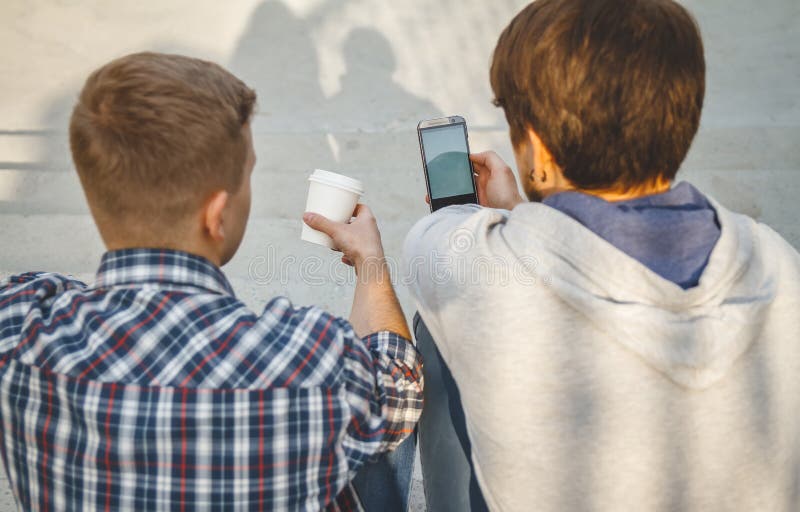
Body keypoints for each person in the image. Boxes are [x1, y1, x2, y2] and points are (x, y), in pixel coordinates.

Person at [404, 0, 800, 510]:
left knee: (436, 325)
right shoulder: (778, 262)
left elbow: (440, 233)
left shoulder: (469, 264)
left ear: (538, 145)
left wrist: (518, 211)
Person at [0, 52, 422, 511]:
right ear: (216, 215)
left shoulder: (19, 322)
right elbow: (401, 386)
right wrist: (370, 263)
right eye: (248, 174)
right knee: (374, 405)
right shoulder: (308, 359)